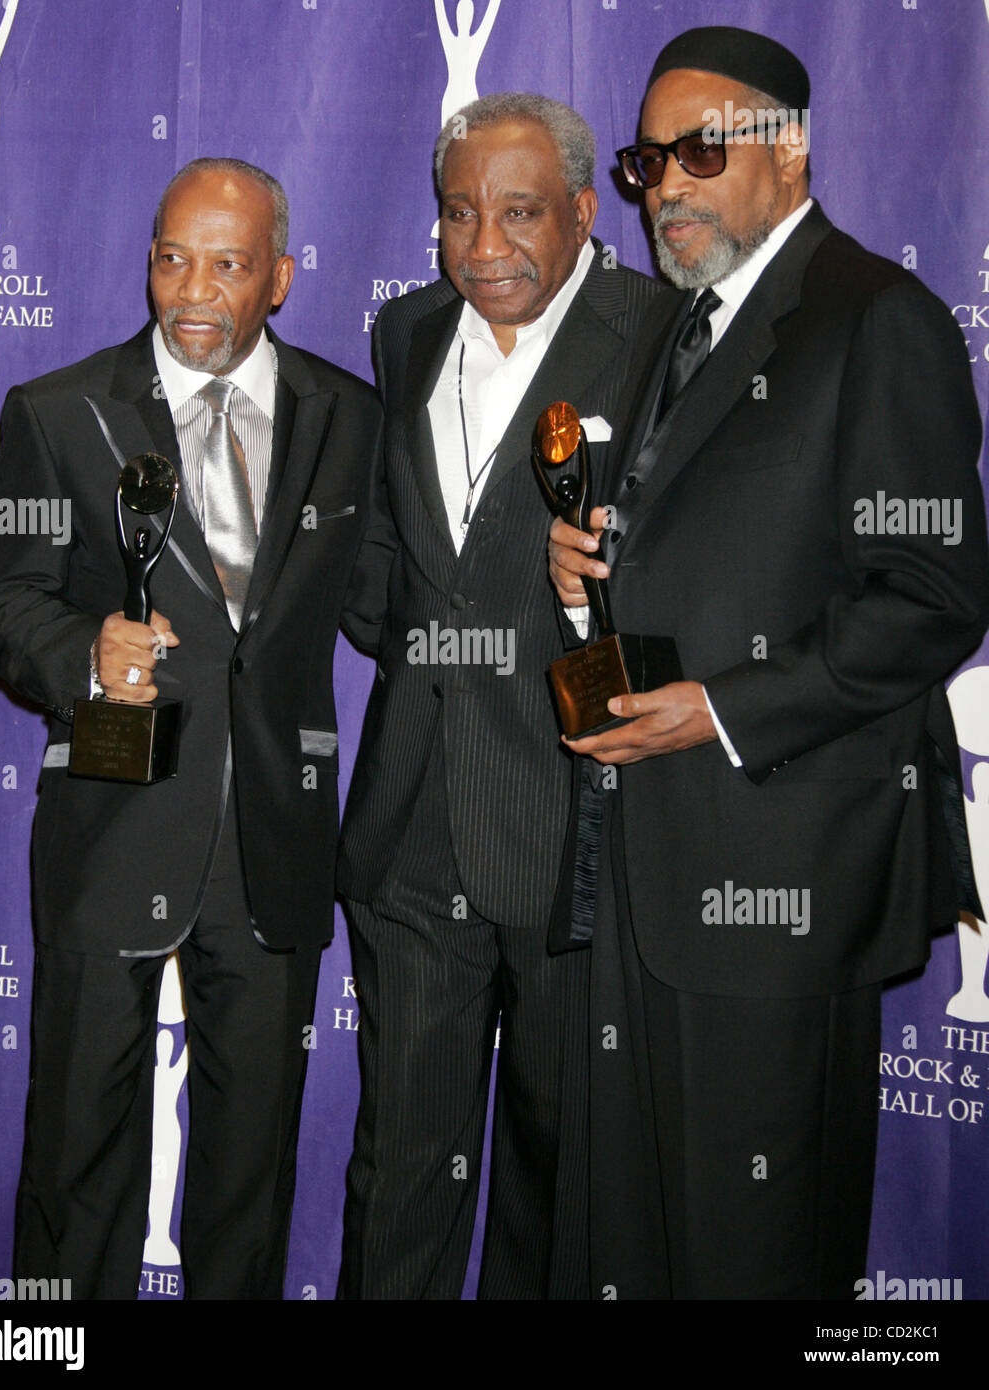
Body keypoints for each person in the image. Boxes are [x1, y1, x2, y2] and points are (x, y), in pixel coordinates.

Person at [549, 25, 989, 1299]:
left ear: (789, 153)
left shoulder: (877, 317)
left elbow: (935, 591)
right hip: (636, 853)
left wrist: (721, 713)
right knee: (634, 1245)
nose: (667, 187)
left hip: (776, 878)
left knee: (755, 1252)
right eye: (647, 163)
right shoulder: (664, 329)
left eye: (701, 151)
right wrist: (586, 565)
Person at [0, 157, 382, 1299]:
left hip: (273, 841)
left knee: (251, 1166)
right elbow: (3, 608)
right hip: (113, 824)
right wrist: (80, 651)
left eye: (228, 264)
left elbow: (388, 602)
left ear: (282, 279)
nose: (192, 290)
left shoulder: (349, 417)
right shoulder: (58, 412)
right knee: (76, 1154)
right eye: (170, 257)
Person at [336, 92, 678, 1299]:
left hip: (579, 830)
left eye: (520, 213)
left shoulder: (666, 338)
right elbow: (390, 557)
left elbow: (714, 575)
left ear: (589, 213)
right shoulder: (407, 332)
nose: (484, 246)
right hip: (415, 827)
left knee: (559, 1182)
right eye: (457, 213)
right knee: (400, 1176)